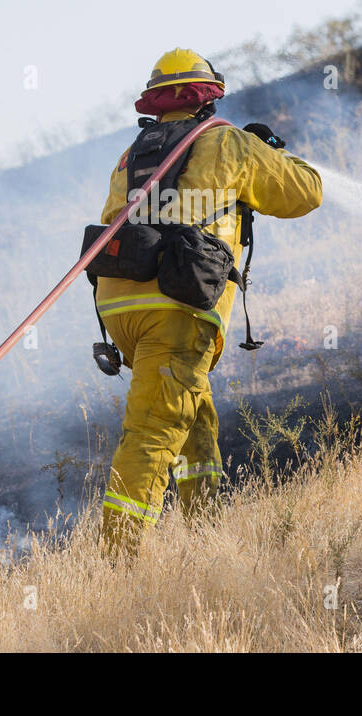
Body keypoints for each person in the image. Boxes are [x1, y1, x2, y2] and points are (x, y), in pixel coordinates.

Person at [95, 47, 322, 555]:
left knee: (190, 414)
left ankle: (208, 534)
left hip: (120, 310)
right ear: (208, 98)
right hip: (177, 308)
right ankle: (116, 564)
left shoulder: (130, 157)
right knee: (154, 431)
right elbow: (305, 192)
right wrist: (276, 153)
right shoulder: (228, 143)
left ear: (157, 104)